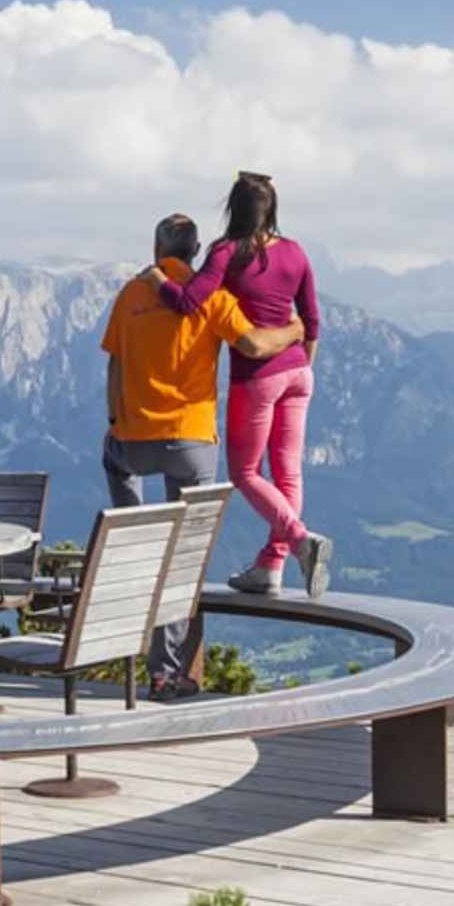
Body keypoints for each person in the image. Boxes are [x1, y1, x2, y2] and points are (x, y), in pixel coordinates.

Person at [102, 212, 305, 699]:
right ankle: (164, 672)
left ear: (156, 249)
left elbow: (115, 367)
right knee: (183, 559)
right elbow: (255, 344)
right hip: (191, 441)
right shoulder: (211, 296)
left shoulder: (131, 294)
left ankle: (133, 537)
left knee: (113, 461)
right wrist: (297, 331)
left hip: (133, 440)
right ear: (194, 251)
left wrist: (117, 422)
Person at [151, 172, 333, 598]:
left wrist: (157, 278)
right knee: (288, 474)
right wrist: (304, 369)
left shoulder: (226, 253)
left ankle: (301, 541)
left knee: (247, 473)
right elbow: (311, 320)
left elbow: (187, 302)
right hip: (299, 374)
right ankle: (270, 566)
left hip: (257, 378)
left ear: (233, 208)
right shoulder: (296, 252)